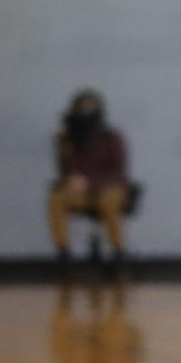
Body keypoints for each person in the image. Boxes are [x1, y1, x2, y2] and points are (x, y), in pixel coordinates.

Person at [48, 90, 132, 272]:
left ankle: (118, 253)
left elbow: (118, 172)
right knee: (57, 199)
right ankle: (64, 253)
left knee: (108, 201)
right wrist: (63, 148)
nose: (85, 113)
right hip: (82, 193)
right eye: (82, 108)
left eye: (90, 108)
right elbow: (66, 171)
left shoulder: (111, 138)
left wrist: (91, 183)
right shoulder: (70, 139)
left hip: (109, 189)